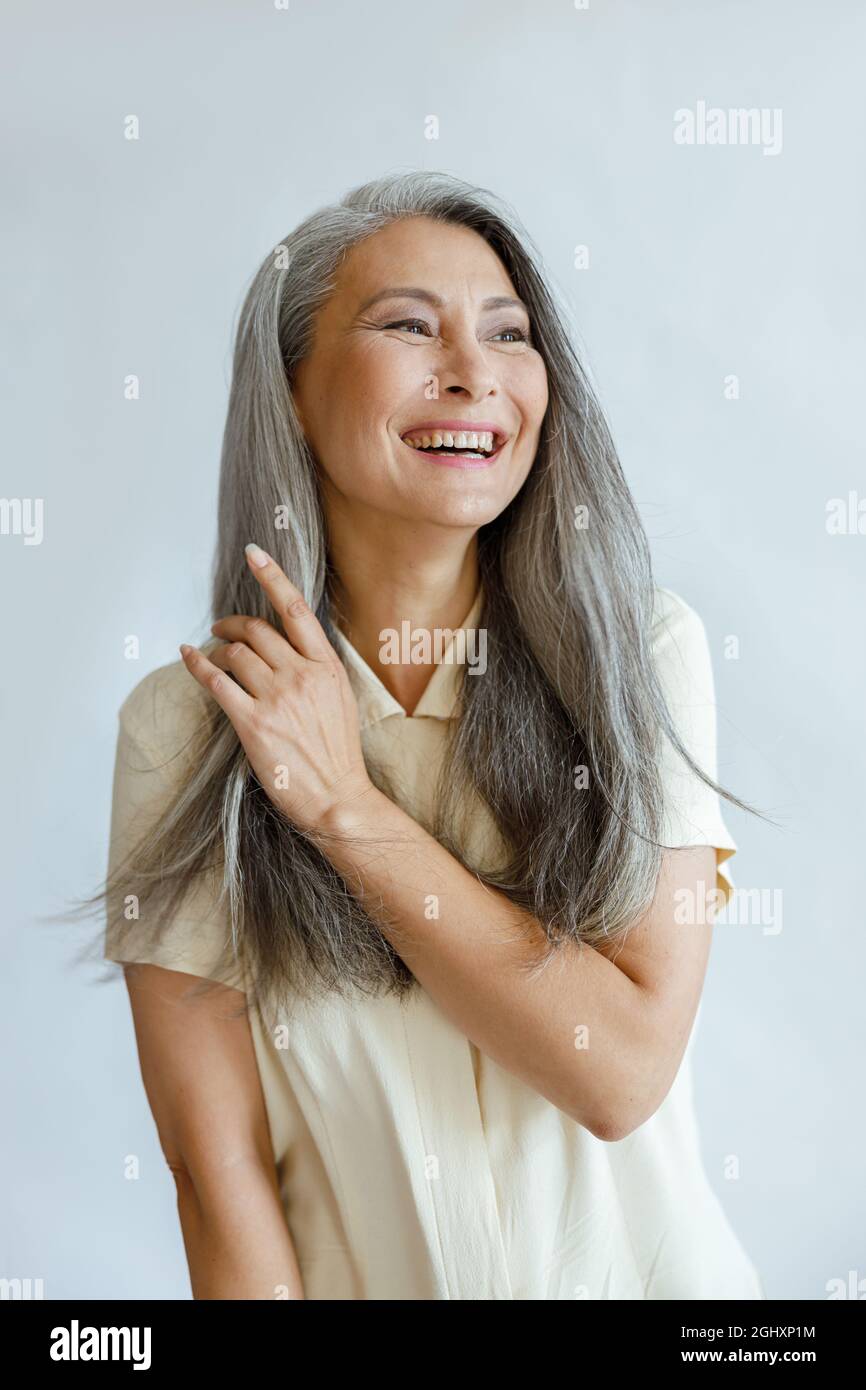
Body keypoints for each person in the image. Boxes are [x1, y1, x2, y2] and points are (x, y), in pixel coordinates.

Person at [102, 170, 768, 1300]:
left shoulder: (641, 657)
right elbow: (218, 1181)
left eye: (507, 334)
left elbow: (618, 1072)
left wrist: (344, 809)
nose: (472, 372)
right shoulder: (189, 729)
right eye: (409, 325)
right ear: (292, 393)